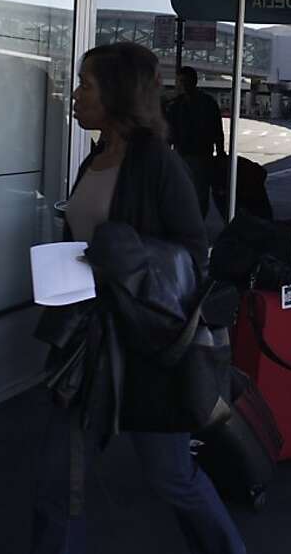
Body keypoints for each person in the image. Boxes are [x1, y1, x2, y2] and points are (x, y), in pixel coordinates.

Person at [33, 43, 245, 554]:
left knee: (170, 476)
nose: (76, 95)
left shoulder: (159, 164)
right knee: (60, 478)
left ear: (120, 92)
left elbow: (194, 257)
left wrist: (126, 258)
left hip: (150, 346)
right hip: (89, 341)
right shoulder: (96, 157)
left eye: (86, 83)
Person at [166, 66, 225, 218]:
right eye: (180, 81)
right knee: (193, 193)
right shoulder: (179, 105)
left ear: (194, 82)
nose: (182, 85)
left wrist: (219, 153)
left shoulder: (178, 105)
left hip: (199, 155)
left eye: (184, 81)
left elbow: (217, 131)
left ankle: (193, 223)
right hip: (188, 154)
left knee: (196, 193)